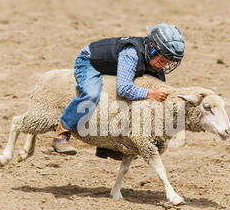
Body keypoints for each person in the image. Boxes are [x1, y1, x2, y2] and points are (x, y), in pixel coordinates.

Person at [51, 23, 185, 156]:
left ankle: (107, 146)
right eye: (163, 61)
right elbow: (124, 88)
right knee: (90, 95)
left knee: (125, 103)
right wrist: (151, 93)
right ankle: (62, 134)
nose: (165, 65)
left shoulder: (155, 66)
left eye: (169, 62)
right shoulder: (131, 54)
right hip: (90, 61)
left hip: (113, 68)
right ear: (152, 49)